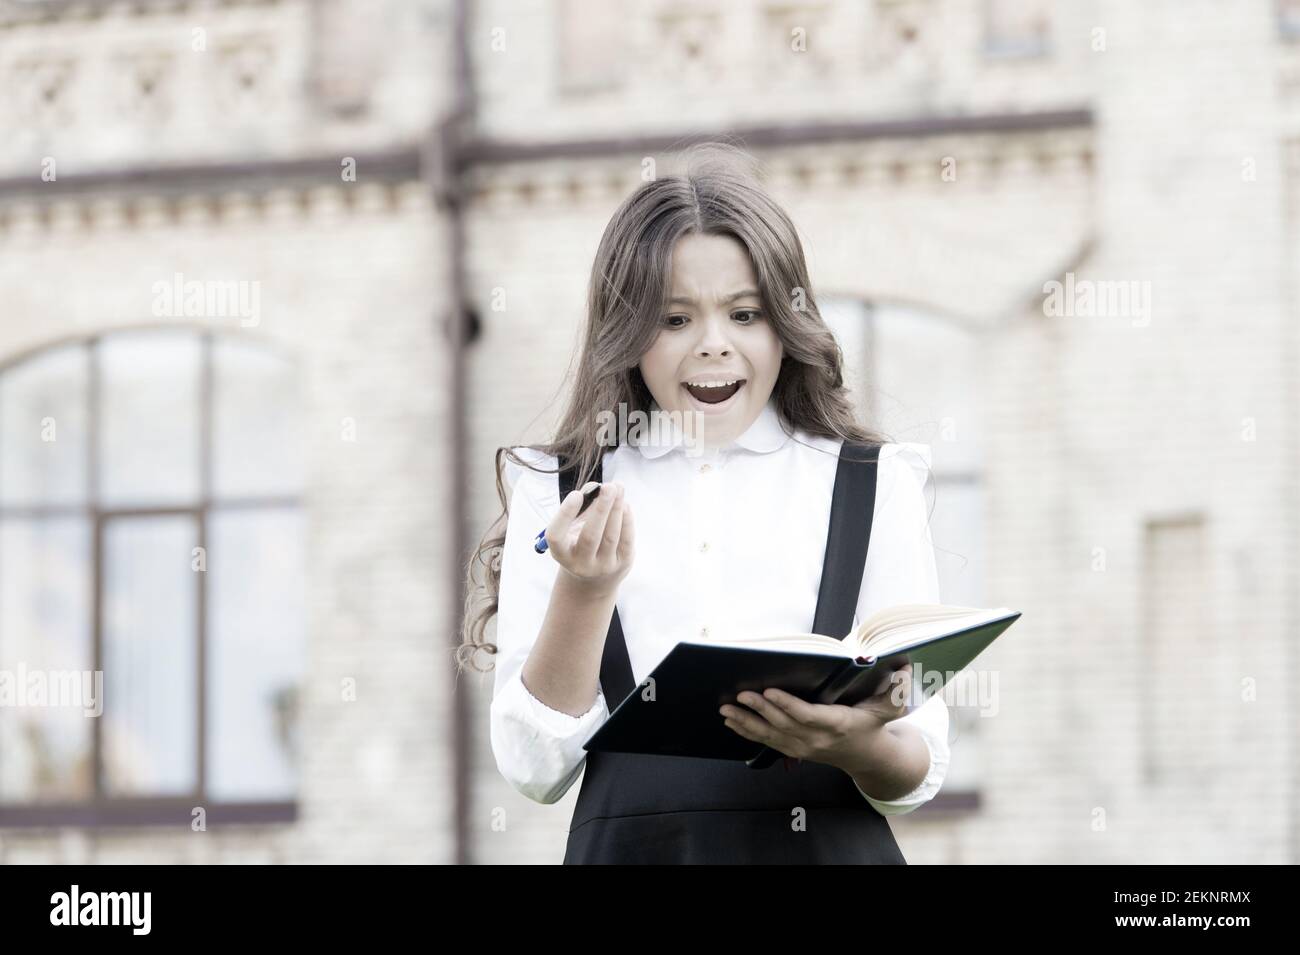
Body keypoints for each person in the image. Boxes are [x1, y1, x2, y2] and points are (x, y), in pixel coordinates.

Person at [459, 143, 951, 863]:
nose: (714, 345)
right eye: (675, 319)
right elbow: (536, 769)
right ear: (626, 332)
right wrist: (585, 588)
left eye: (745, 314)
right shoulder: (561, 487)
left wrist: (859, 742)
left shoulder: (874, 481)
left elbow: (921, 763)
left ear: (787, 324)